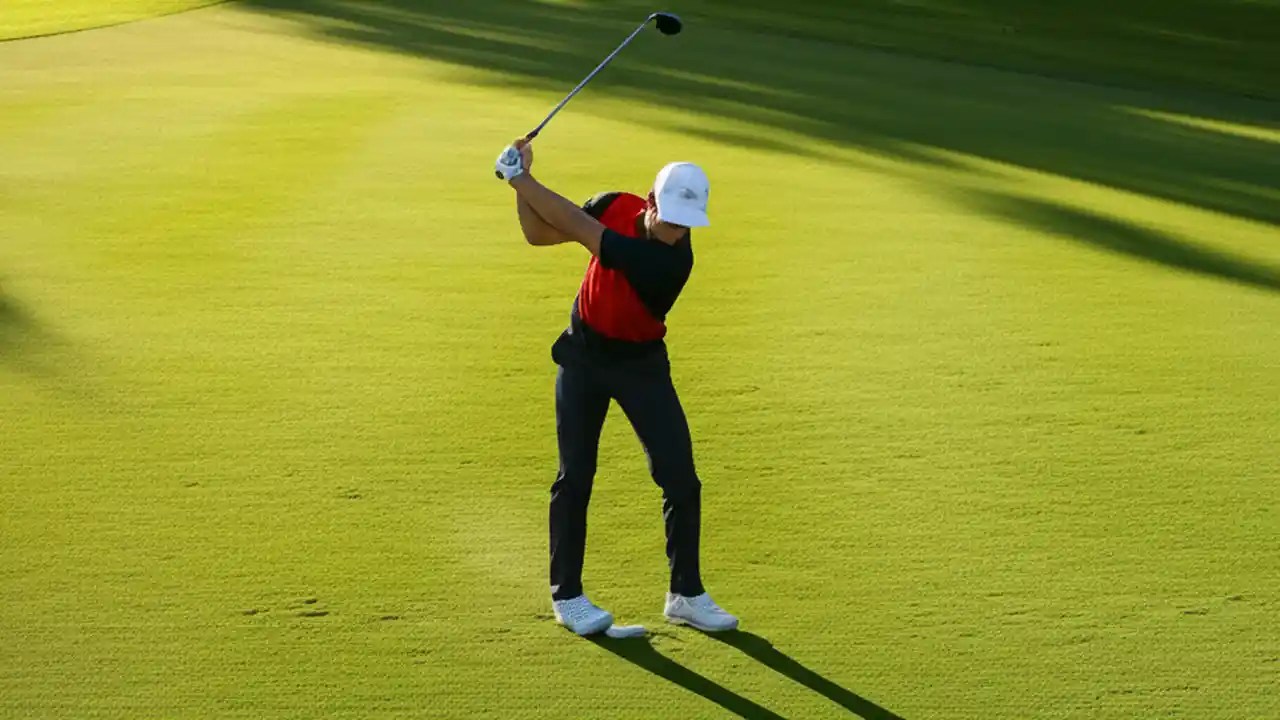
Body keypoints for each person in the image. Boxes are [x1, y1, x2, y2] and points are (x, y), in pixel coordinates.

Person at [496, 138, 738, 636]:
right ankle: (568, 595)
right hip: (583, 357)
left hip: (640, 365)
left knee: (680, 478)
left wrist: (519, 179)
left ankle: (685, 594)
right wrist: (520, 180)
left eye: (686, 225)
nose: (677, 233)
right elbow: (540, 233)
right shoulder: (615, 204)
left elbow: (584, 230)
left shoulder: (671, 263)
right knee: (575, 476)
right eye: (671, 221)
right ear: (650, 203)